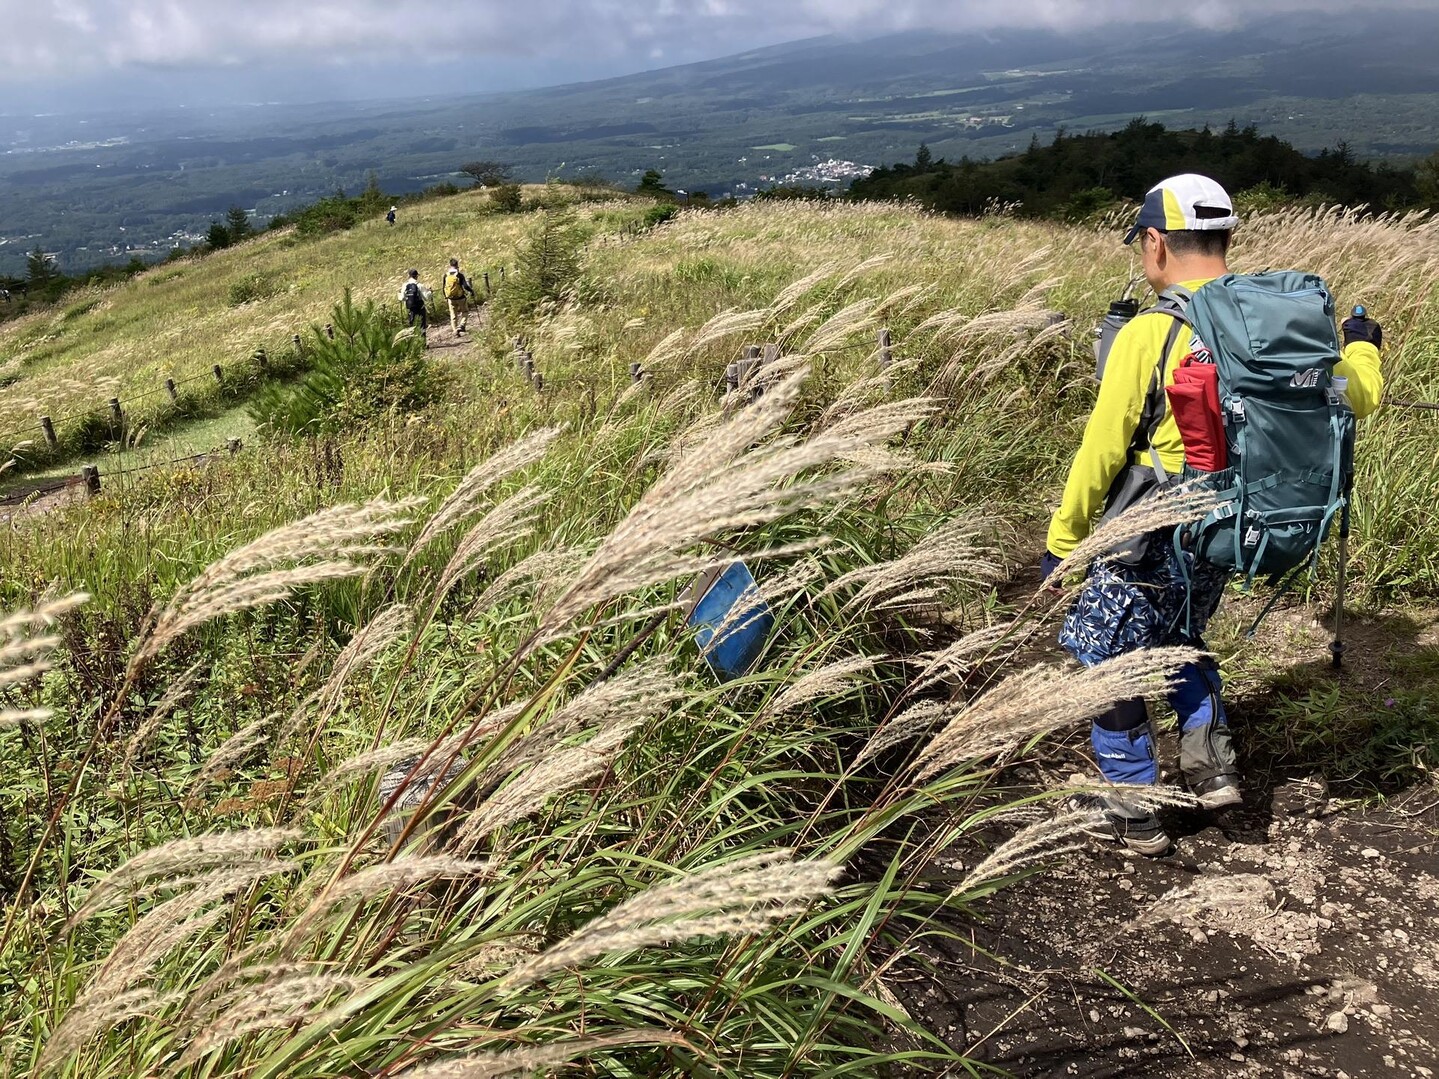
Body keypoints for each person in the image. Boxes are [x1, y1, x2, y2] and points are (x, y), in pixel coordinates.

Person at [1041, 174, 1384, 855]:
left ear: (1154, 242)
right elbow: (1358, 396)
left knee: (1109, 658)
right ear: (1225, 236)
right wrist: (1361, 341)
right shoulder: (1278, 322)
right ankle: (1211, 769)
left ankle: (1133, 809)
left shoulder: (1152, 330)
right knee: (1179, 633)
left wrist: (1064, 538)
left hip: (1150, 524)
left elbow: (1102, 447)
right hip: (1227, 521)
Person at [441, 258, 478, 334]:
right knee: (465, 311)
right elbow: (465, 286)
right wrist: (471, 291)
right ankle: (461, 325)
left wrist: (446, 296)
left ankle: (455, 330)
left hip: (450, 298)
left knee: (453, 315)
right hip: (460, 297)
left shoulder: (446, 275)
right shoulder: (459, 275)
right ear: (457, 265)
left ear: (450, 265)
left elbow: (444, 287)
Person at [399, 268, 428, 339]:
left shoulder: (405, 285)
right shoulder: (419, 285)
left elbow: (402, 298)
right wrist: (429, 291)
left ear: (409, 276)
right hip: (420, 308)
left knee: (412, 325)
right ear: (416, 276)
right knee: (422, 325)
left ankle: (413, 343)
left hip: (411, 308)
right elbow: (426, 297)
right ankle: (423, 343)